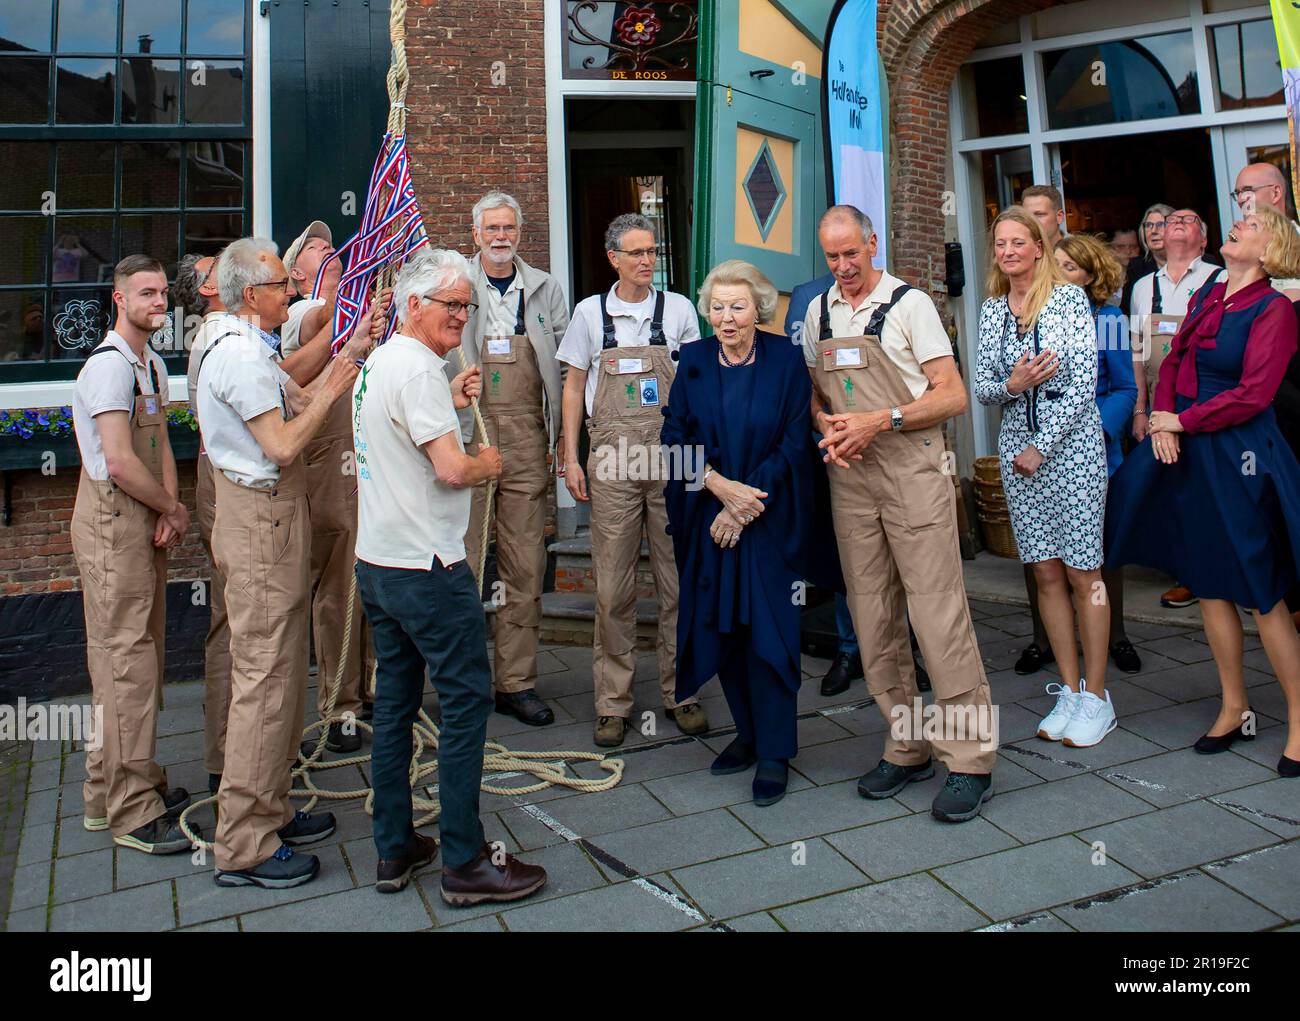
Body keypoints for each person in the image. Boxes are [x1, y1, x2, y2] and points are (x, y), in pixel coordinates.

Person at [352, 249, 549, 901]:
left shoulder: (383, 361)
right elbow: (451, 469)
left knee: (397, 707)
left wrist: (453, 396)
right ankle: (467, 862)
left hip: (379, 562)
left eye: (468, 306)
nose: (462, 317)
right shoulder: (417, 372)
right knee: (466, 700)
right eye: (451, 306)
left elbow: (411, 438)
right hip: (428, 566)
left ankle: (394, 847)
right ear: (413, 306)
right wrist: (489, 463)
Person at [805, 205, 996, 822]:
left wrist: (878, 420)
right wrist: (827, 424)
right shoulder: (818, 311)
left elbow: (953, 394)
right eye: (832, 257)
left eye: (852, 255)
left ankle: (969, 759)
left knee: (937, 614)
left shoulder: (910, 305)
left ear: (873, 243)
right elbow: (814, 389)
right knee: (872, 614)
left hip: (914, 470)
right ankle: (906, 742)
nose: (843, 268)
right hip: (852, 477)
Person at [1106, 207, 1300, 779]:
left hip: (1241, 456)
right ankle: (1234, 707)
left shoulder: (1275, 309)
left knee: (1261, 592)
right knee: (1211, 584)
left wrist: (1181, 425)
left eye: (1253, 225)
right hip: (1189, 449)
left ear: (1270, 251)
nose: (1239, 225)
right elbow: (1172, 365)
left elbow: (1255, 392)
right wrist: (1165, 416)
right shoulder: (1210, 296)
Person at [197, 237, 366, 889]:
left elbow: (292, 390)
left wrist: (346, 351)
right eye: (278, 285)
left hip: (271, 517)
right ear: (249, 296)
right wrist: (337, 387)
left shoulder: (245, 343)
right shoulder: (236, 354)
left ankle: (271, 808)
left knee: (281, 673)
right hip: (261, 519)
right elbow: (288, 439)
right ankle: (244, 844)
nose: (290, 293)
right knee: (265, 685)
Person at [557, 213, 709, 747]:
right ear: (613, 258)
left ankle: (681, 690)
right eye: (636, 252)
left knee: (678, 582)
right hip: (612, 461)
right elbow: (574, 386)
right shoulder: (588, 314)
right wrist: (570, 457)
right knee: (613, 586)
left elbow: (699, 387)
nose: (647, 260)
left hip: (674, 458)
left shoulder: (681, 311)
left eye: (652, 251)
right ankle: (612, 703)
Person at [664, 260, 812, 806]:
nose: (727, 318)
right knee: (722, 627)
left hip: (769, 518)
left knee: (769, 634)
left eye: (738, 306)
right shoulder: (695, 360)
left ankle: (775, 751)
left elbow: (795, 445)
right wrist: (717, 488)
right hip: (709, 517)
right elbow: (672, 440)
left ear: (759, 309)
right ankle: (747, 736)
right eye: (718, 307)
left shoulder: (787, 362)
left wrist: (743, 504)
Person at [976, 206, 1116, 749]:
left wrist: (1042, 444)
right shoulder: (991, 310)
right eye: (1001, 243)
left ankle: (1098, 696)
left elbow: (1082, 380)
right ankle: (1071, 689)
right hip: (1016, 454)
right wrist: (1013, 383)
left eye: (1019, 242)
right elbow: (985, 389)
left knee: (1086, 573)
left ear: (1039, 246)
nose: (1009, 251)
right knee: (1046, 573)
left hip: (1072, 450)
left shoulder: (1069, 300)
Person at [71, 255, 195, 854]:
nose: (159, 302)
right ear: (119, 300)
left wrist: (169, 501)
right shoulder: (108, 369)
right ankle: (132, 812)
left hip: (142, 515)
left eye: (164, 292)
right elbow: (118, 461)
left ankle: (109, 789)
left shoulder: (150, 366)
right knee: (126, 665)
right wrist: (168, 509)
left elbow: (161, 440)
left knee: (134, 656)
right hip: (112, 519)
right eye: (146, 293)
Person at [455, 191, 570, 727]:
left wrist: (566, 438)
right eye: (491, 229)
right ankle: (462, 680)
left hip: (527, 435)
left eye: (509, 229)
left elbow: (568, 368)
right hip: (467, 435)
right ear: (475, 234)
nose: (501, 237)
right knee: (461, 563)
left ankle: (516, 683)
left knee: (525, 564)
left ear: (519, 234)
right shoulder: (453, 284)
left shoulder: (545, 288)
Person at [282, 220, 373, 753]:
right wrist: (343, 289)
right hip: (330, 456)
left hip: (370, 455)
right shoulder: (302, 313)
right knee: (337, 580)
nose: (329, 248)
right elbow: (325, 315)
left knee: (374, 576)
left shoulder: (357, 308)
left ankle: (372, 686)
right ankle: (339, 702)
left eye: (331, 242)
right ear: (296, 273)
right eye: (315, 246)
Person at [1055, 233, 1140, 672]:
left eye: (1070, 268)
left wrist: (1096, 432)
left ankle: (1116, 636)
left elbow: (1125, 388)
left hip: (1096, 450)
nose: (1061, 275)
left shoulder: (1106, 318)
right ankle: (1057, 641)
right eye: (1057, 266)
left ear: (1091, 276)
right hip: (1046, 453)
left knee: (1101, 552)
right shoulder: (1036, 315)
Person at [1130, 207, 1223, 611]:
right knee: (1172, 487)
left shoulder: (1220, 278)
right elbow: (1133, 349)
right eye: (1170, 221)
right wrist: (1138, 408)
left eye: (1190, 219)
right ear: (1158, 238)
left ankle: (1218, 572)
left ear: (1203, 240)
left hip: (1203, 400)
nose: (1178, 222)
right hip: (1158, 399)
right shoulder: (1141, 287)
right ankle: (1188, 572)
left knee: (1209, 485)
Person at [178, 251, 235, 798]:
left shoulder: (230, 335)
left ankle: (241, 759)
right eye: (221, 268)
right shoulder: (220, 341)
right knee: (233, 622)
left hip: (224, 476)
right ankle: (227, 761)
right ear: (210, 291)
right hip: (225, 481)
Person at [1120, 204, 1173, 315]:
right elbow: (1128, 315)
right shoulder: (1136, 269)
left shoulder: (1198, 263)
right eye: (1148, 225)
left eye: (1161, 224)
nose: (1153, 231)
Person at [1021, 185, 1066, 250]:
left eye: (1039, 215)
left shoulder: (1078, 255)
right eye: (1027, 215)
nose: (1031, 221)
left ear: (1059, 217)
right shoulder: (1022, 254)